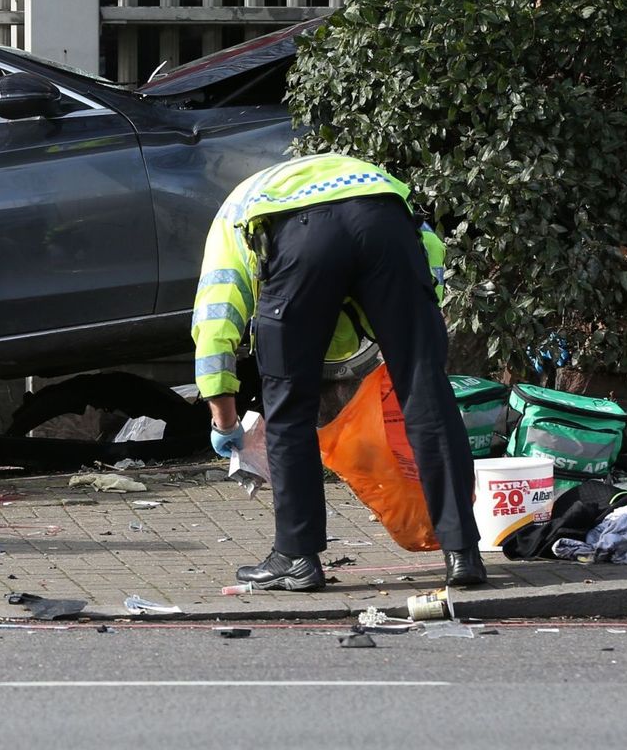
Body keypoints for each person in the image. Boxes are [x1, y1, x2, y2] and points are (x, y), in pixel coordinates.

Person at [192, 153, 485, 590]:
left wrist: (225, 421)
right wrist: (413, 332)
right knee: (426, 388)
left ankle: (296, 557)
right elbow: (431, 255)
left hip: (299, 233)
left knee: (289, 403)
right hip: (386, 217)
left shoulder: (233, 220)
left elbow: (216, 325)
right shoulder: (348, 178)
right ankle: (463, 552)